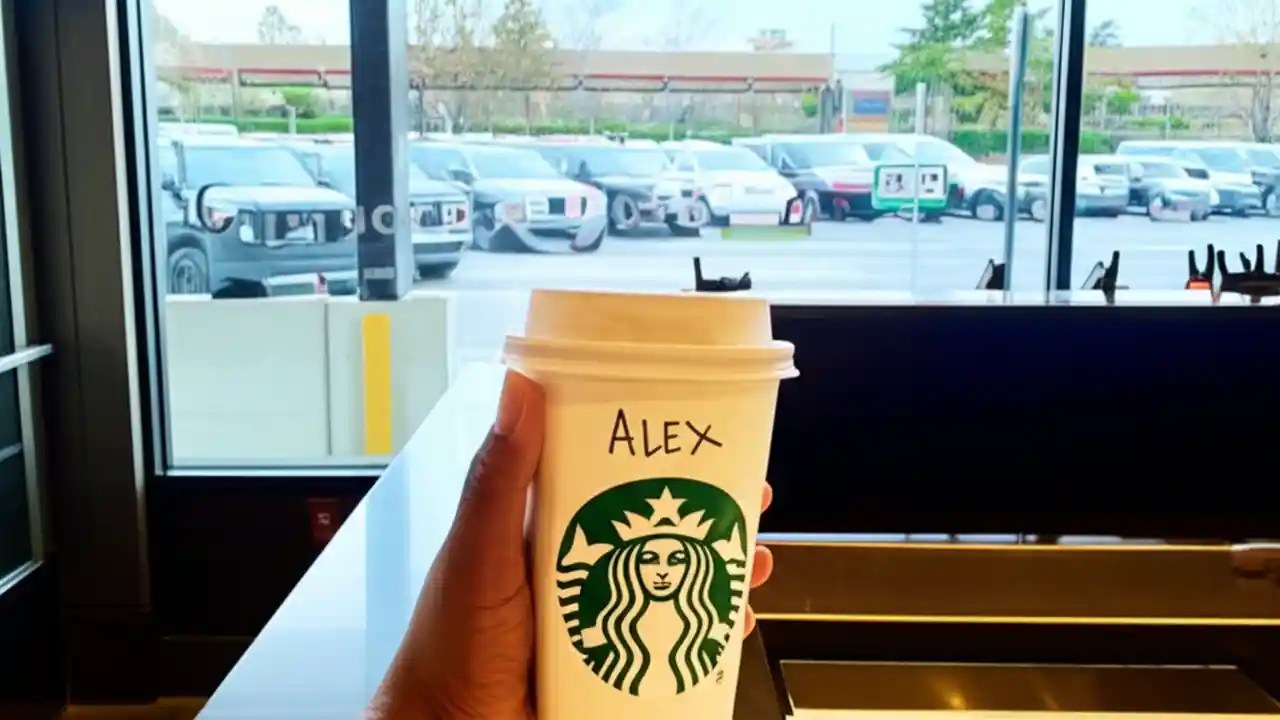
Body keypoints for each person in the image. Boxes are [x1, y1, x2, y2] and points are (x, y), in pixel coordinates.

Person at [367, 371, 775, 719]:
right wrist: (437, 705)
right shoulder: (605, 636)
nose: (663, 571)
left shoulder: (696, 636)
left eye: (677, 559)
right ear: (627, 565)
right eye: (650, 557)